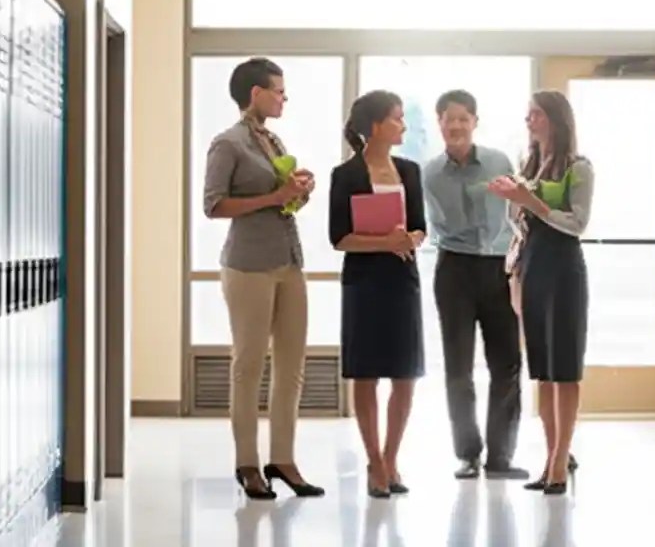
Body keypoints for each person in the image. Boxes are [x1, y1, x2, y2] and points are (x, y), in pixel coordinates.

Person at [202, 57, 325, 500]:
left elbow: (279, 202)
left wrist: (297, 193)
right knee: (248, 366)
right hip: (247, 265)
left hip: (288, 261)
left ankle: (283, 459)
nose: (283, 98)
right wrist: (276, 194)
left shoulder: (273, 140)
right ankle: (247, 465)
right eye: (278, 90)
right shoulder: (227, 143)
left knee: (292, 366)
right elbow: (213, 205)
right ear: (255, 93)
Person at [487, 90, 594, 496]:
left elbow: (577, 222)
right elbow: (521, 225)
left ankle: (560, 462)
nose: (529, 121)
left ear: (556, 120)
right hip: (531, 268)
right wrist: (514, 203)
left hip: (564, 270)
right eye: (528, 115)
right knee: (543, 371)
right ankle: (552, 457)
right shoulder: (529, 166)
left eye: (536, 115)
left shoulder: (579, 168)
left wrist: (529, 200)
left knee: (565, 368)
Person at [422, 90, 528, 480]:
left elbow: (518, 205)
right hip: (454, 270)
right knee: (458, 367)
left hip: (498, 268)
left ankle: (501, 456)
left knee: (507, 364)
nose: (456, 126)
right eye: (448, 119)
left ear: (475, 122)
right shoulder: (429, 173)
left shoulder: (499, 161)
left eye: (463, 119)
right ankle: (468, 454)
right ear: (439, 123)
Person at [328, 90, 426, 499]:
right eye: (397, 118)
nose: (403, 125)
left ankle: (391, 458)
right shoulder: (346, 174)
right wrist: (384, 241)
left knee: (405, 374)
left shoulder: (409, 170)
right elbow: (340, 238)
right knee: (366, 372)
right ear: (375, 126)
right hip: (364, 282)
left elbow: (421, 227)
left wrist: (408, 239)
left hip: (403, 280)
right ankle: (373, 461)